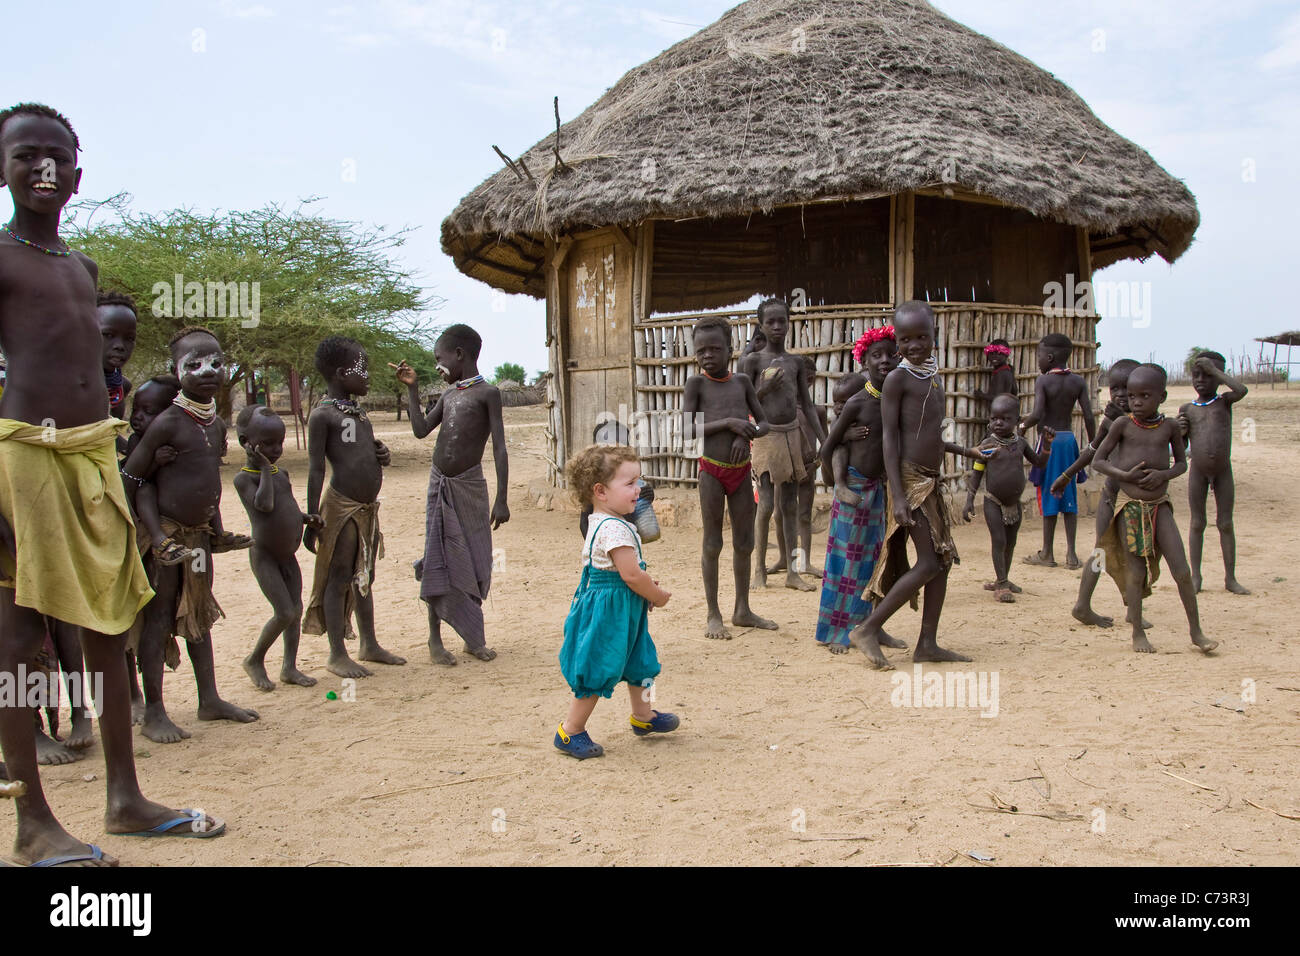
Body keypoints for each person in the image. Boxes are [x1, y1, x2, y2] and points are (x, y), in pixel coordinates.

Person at [0, 102, 222, 865]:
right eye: (26, 155)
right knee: (21, 633)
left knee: (111, 622)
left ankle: (125, 798)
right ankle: (33, 824)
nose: (43, 168)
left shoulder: (81, 270)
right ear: (3, 168)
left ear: (78, 175)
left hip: (95, 454)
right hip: (25, 455)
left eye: (57, 156)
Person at [122, 327, 258, 743]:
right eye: (194, 364)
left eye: (217, 363)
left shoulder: (215, 426)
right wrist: (154, 534)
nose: (208, 371)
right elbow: (132, 477)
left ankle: (209, 699)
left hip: (198, 539)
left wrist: (217, 532)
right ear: (175, 370)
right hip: (167, 541)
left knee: (199, 614)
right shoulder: (167, 423)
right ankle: (155, 712)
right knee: (159, 619)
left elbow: (207, 483)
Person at [849, 302, 970, 668]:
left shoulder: (932, 376)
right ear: (897, 340)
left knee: (942, 561)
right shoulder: (899, 379)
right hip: (911, 480)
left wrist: (965, 448)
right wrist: (898, 497)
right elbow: (890, 439)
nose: (914, 345)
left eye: (922, 337)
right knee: (930, 562)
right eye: (906, 339)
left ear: (935, 335)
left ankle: (927, 643)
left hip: (931, 480)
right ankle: (868, 627)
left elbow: (931, 433)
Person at [393, 324, 508, 665]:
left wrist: (502, 497)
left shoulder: (488, 393)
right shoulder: (447, 395)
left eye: (438, 360)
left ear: (459, 355)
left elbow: (500, 447)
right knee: (437, 560)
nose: (436, 367)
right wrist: (412, 390)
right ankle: (434, 640)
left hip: (469, 488)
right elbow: (419, 431)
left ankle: (473, 639)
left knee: (473, 560)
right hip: (439, 485)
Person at [554, 445, 677, 759]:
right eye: (630, 483)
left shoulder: (607, 521)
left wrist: (640, 592)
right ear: (600, 491)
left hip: (624, 610)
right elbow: (632, 575)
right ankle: (570, 731)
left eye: (638, 481)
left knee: (641, 664)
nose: (638, 489)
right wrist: (656, 595)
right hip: (608, 615)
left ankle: (644, 716)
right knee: (597, 669)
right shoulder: (611, 529)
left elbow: (630, 577)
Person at [1091, 363, 1217, 654]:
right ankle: (1137, 633)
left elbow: (1182, 463)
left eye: (1144, 396)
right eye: (1133, 396)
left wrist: (1164, 475)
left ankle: (1196, 632)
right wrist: (1125, 476)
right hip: (1131, 508)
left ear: (1162, 396)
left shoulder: (1170, 427)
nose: (1136, 401)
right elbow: (1099, 460)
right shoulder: (1123, 425)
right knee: (1135, 572)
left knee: (1182, 569)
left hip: (1160, 506)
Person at [303, 336, 404, 677]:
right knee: (339, 577)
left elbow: (363, 451)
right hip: (342, 508)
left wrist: (381, 456)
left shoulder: (358, 414)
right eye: (362, 369)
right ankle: (336, 653)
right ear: (341, 373)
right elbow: (317, 468)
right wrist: (312, 515)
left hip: (367, 509)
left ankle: (370, 644)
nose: (368, 375)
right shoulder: (322, 416)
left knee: (364, 575)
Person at [816, 326, 911, 653]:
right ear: (865, 360)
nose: (884, 360)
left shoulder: (897, 399)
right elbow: (827, 448)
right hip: (853, 492)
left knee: (874, 563)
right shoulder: (857, 403)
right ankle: (838, 633)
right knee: (845, 565)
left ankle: (874, 627)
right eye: (876, 355)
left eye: (890, 354)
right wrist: (837, 484)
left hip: (879, 492)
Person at [681, 315, 776, 640]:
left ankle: (742, 609)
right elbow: (686, 429)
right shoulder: (696, 384)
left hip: (741, 472)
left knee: (745, 542)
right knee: (712, 542)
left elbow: (764, 424)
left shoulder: (742, 383)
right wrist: (729, 424)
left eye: (714, 349)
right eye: (701, 350)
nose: (707, 355)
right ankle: (713, 614)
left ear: (730, 349)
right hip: (711, 471)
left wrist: (745, 434)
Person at [233, 405, 323, 690]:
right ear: (245, 442)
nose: (275, 449)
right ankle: (254, 659)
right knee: (284, 612)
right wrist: (263, 469)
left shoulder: (280, 474)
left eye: (279, 443)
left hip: (288, 556)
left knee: (295, 610)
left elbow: (287, 508)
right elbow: (265, 504)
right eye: (267, 443)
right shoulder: (244, 478)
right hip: (265, 556)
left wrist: (306, 519)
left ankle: (289, 667)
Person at [739, 299, 824, 590]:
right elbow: (744, 402)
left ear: (789, 323)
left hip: (791, 435)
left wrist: (825, 440)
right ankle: (759, 570)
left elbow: (808, 405)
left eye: (782, 321)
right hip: (766, 436)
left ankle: (792, 572)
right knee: (764, 506)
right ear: (761, 325)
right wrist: (765, 389)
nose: (777, 327)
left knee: (789, 505)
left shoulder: (796, 362)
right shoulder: (754, 361)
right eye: (771, 322)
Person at [1055, 359, 1147, 628]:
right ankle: (1083, 605)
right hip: (1113, 498)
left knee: (1135, 555)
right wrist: (1066, 475)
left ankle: (1132, 609)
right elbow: (1092, 452)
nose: (1119, 394)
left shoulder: (1145, 422)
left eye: (1125, 389)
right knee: (1101, 553)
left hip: (1136, 502)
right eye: (1114, 388)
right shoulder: (1113, 421)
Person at [962, 395, 1053, 602]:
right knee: (999, 540)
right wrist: (969, 500)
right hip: (993, 501)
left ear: (1016, 420)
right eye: (994, 418)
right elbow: (976, 473)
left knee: (1011, 542)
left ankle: (1002, 578)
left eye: (1004, 419)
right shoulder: (987, 444)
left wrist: (1046, 446)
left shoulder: (1020, 443)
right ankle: (1002, 584)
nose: (998, 423)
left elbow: (1039, 462)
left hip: (1015, 503)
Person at [1020, 332, 1096, 569]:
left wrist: (1021, 428)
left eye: (1039, 356)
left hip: (1050, 442)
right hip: (1070, 441)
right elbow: (1089, 416)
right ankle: (1072, 556)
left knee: (1049, 493)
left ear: (1050, 357)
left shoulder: (1043, 381)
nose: (1038, 361)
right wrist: (1093, 444)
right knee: (1069, 494)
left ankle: (1047, 553)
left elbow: (1037, 414)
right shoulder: (1078, 381)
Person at [1178, 351, 1250, 594]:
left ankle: (1230, 578)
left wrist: (1215, 371)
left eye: (1207, 376)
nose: (1200, 380)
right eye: (1196, 375)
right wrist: (1180, 432)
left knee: (1225, 523)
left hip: (1223, 471)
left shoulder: (1224, 402)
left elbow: (1242, 390)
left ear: (1218, 378)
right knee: (1197, 523)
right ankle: (1196, 577)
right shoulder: (1187, 408)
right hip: (1198, 471)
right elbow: (1181, 446)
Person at [770, 355, 822, 576]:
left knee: (803, 516)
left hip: (808, 468)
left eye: (809, 379)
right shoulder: (783, 410)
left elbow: (825, 441)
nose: (805, 383)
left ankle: (805, 562)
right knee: (779, 514)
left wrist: (816, 464)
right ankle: (784, 558)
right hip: (784, 467)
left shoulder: (816, 411)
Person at [973, 338, 1016, 405]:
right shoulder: (1008, 371)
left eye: (998, 354)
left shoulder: (1001, 374)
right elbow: (1015, 391)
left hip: (1000, 413)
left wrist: (981, 395)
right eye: (991, 354)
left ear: (1006, 355)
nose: (994, 357)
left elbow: (998, 398)